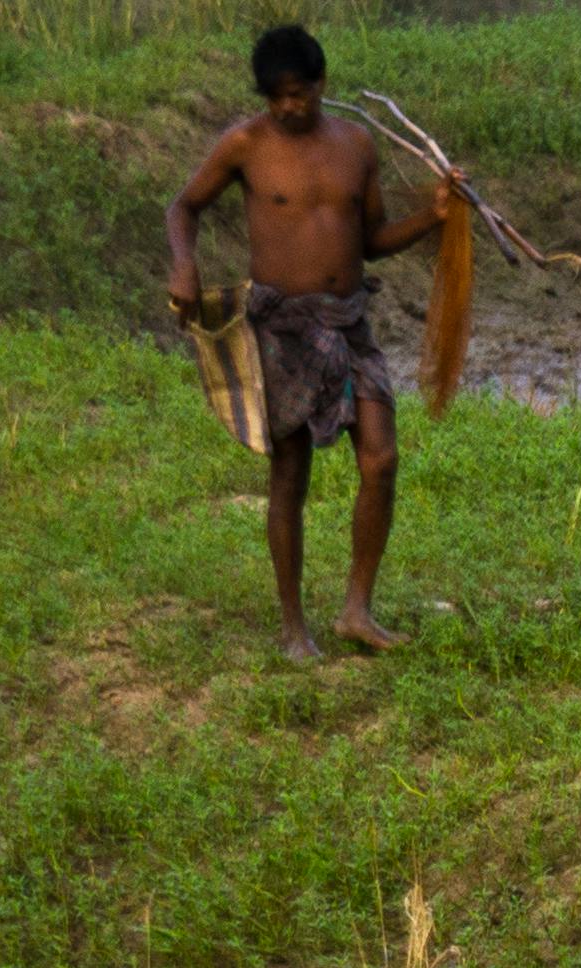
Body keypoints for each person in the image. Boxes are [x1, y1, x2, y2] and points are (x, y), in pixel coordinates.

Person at [164, 23, 459, 661]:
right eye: (277, 97)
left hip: (350, 322)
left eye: (299, 93)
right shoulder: (245, 144)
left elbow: (372, 239)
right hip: (282, 327)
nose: (289, 107)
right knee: (290, 471)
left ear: (321, 84)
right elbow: (182, 207)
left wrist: (432, 218)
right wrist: (183, 267)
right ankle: (294, 626)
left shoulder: (356, 145)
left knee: (380, 460)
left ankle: (357, 609)